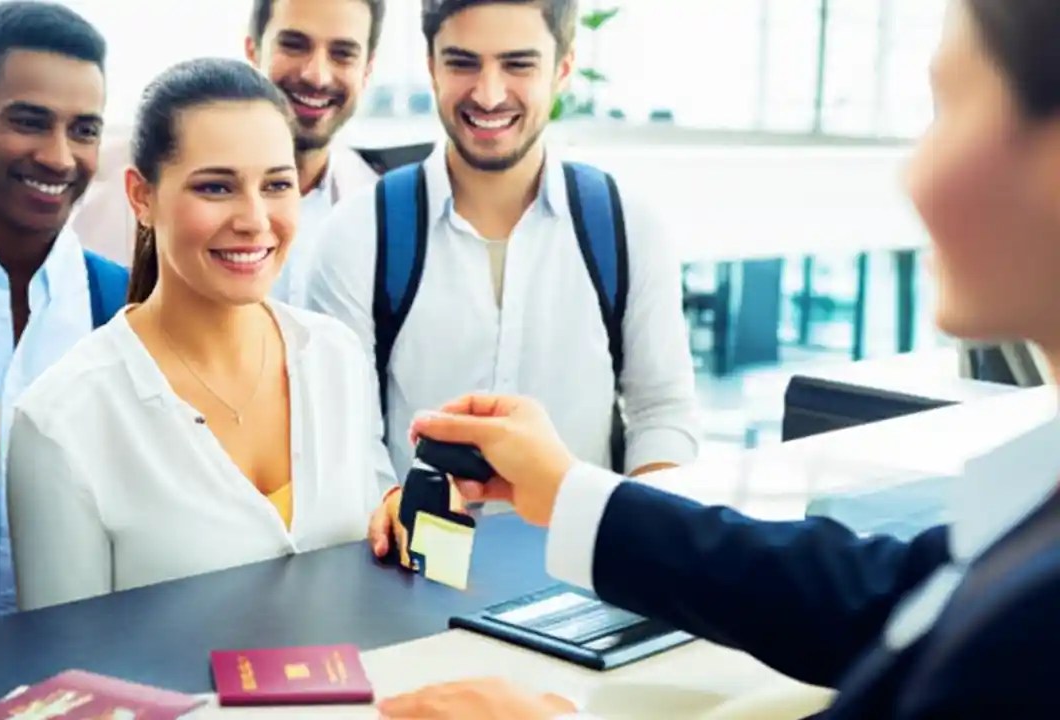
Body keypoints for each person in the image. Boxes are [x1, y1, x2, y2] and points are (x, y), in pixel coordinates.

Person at [378, 0, 1060, 716]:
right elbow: (873, 592)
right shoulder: (1025, 534)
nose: (914, 176)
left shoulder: (1032, 624)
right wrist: (572, 492)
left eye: (952, 107)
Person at [6, 58, 407, 612]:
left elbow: (365, 555)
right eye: (216, 187)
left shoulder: (335, 356)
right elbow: (67, 671)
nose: (254, 219)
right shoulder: (61, 421)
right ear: (141, 197)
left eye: (276, 185)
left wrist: (400, 517)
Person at [304, 0, 700, 484]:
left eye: (518, 64)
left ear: (563, 69)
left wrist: (646, 537)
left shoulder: (628, 230)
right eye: (463, 63)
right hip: (407, 556)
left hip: (581, 555)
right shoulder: (358, 234)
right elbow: (345, 440)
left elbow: (662, 412)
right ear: (431, 67)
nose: (489, 95)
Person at [0, 1, 127, 617]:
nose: (61, 157)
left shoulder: (123, 302)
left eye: (84, 129)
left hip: (79, 665)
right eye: (30, 122)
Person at [68, 0, 384, 305]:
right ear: (253, 50)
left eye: (342, 54)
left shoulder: (383, 212)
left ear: (368, 70)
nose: (316, 75)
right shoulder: (113, 183)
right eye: (294, 45)